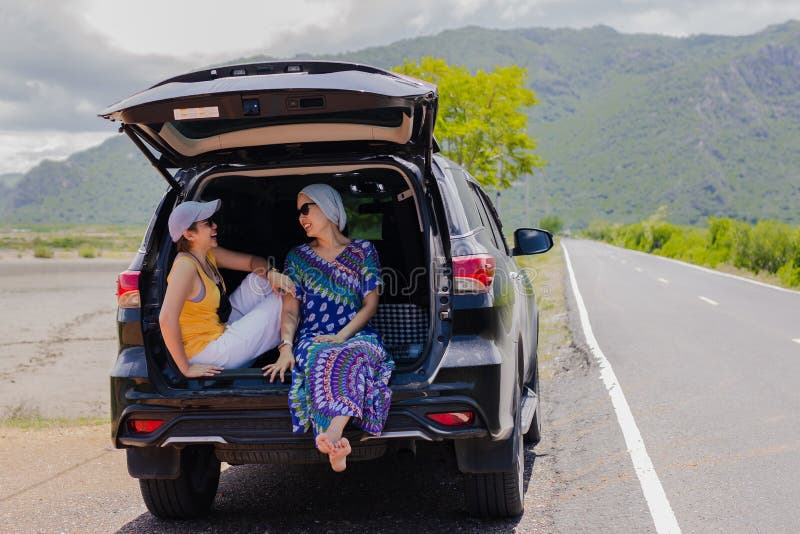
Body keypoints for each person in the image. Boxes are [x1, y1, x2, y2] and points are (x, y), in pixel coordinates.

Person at [263, 184, 394, 472]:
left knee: (354, 354)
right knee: (321, 356)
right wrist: (286, 347)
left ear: (327, 207)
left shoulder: (363, 250)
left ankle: (332, 437)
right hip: (313, 335)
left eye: (305, 209)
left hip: (356, 333)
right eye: (298, 212)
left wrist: (341, 336)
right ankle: (335, 441)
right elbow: (290, 309)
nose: (301, 217)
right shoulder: (297, 257)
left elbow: (370, 305)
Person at [160, 199, 293, 378]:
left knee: (260, 278)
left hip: (217, 328)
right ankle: (290, 345)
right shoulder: (185, 266)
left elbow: (252, 262)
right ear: (189, 234)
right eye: (207, 223)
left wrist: (271, 274)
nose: (215, 226)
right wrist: (185, 368)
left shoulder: (207, 255)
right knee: (284, 300)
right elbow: (166, 319)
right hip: (207, 352)